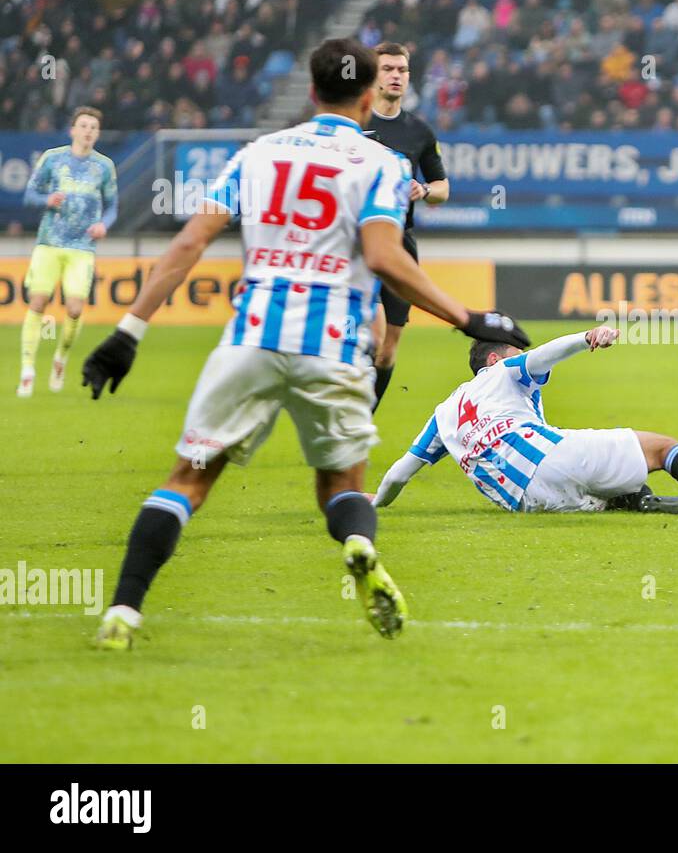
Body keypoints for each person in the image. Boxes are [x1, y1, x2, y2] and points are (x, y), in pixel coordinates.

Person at [81, 38, 531, 650]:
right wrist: (469, 318)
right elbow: (383, 257)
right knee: (342, 486)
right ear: (370, 96)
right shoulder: (383, 165)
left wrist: (127, 332)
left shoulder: (256, 154)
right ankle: (358, 544)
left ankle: (124, 614)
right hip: (335, 346)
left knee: (189, 478)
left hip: (252, 339)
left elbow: (187, 245)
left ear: (312, 92)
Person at [372, 325, 678, 515]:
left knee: (600, 469)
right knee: (658, 447)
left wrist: (370, 507)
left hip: (525, 503)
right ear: (492, 358)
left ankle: (634, 501)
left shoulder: (444, 414)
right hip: (549, 459)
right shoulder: (502, 373)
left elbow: (397, 475)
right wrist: (587, 338)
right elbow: (543, 356)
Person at [366, 41, 450, 410]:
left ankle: (362, 419)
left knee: (386, 353)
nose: (396, 76)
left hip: (401, 245)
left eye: (402, 70)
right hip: (360, 244)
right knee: (373, 334)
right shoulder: (353, 124)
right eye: (388, 69)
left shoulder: (419, 131)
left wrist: (424, 189)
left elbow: (443, 188)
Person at [17, 106, 117, 397]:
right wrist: (47, 199)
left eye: (93, 127)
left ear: (97, 134)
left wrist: (104, 224)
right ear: (73, 130)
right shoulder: (53, 159)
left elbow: (112, 206)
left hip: (82, 246)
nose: (88, 131)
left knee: (74, 309)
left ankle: (60, 357)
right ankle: (27, 369)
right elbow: (29, 195)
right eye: (83, 126)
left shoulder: (104, 167)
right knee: (37, 303)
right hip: (49, 243)